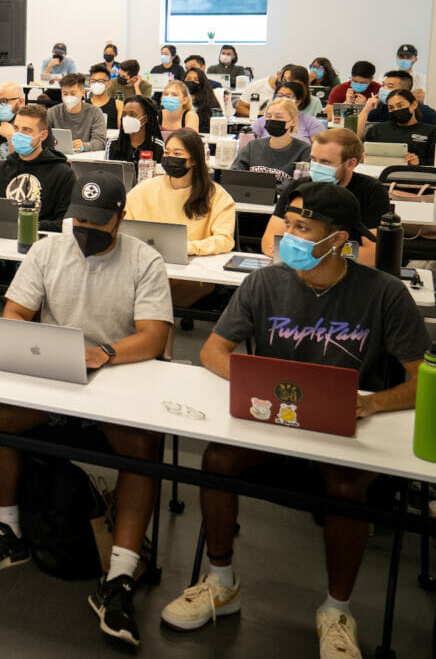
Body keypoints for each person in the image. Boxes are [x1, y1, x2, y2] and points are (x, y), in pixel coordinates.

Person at [161, 184, 427, 659]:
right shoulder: (264, 283)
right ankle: (221, 581)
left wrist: (371, 404)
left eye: (303, 229)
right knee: (217, 459)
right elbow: (211, 350)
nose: (290, 237)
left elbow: (423, 380)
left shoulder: (383, 294)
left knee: (347, 487)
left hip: (343, 427)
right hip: (269, 418)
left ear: (337, 239)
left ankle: (337, 610)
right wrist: (251, 380)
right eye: (290, 226)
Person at [0, 172, 171, 648]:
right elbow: (15, 313)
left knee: (142, 444)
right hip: (56, 376)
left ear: (121, 217)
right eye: (79, 218)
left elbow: (155, 336)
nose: (86, 228)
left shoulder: (145, 260)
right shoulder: (48, 250)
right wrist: (39, 345)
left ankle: (119, 574)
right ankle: (7, 531)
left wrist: (106, 354)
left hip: (115, 376)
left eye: (98, 221)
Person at [124, 127, 235, 308]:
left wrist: (189, 248)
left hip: (193, 272)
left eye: (177, 153)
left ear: (194, 160)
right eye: (167, 152)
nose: (169, 157)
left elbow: (224, 240)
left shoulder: (217, 195)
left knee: (155, 301)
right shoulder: (146, 188)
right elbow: (124, 225)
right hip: (148, 265)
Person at [0, 104, 76, 287]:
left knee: (28, 273)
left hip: (36, 249)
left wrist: (25, 226)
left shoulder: (63, 174)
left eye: (27, 130)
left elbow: (65, 223)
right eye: (16, 129)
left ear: (42, 136)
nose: (18, 135)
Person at [260, 130, 390, 268]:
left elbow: (373, 255)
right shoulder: (297, 188)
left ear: (351, 163)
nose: (316, 167)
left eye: (325, 162)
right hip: (299, 271)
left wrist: (307, 254)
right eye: (313, 159)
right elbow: (269, 244)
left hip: (348, 273)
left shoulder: (371, 191)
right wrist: (329, 253)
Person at [231, 98, 310, 187]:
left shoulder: (304, 150)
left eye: (278, 116)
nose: (272, 119)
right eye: (268, 116)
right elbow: (234, 175)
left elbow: (301, 185)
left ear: (293, 122)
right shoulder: (253, 146)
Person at [361, 88, 436, 165]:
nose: (396, 110)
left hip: (416, 174)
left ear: (414, 105)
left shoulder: (431, 131)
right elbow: (361, 154)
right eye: (391, 108)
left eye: (400, 105)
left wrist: (419, 161)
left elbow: (433, 162)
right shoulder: (376, 130)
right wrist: (361, 157)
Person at [356, 69, 436, 133]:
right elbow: (362, 129)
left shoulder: (423, 111)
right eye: (383, 85)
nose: (383, 89)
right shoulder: (380, 106)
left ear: (404, 91)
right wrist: (367, 108)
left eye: (390, 86)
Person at [47, 72, 108, 152]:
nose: (68, 97)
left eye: (73, 93)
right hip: (59, 157)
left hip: (85, 158)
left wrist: (83, 147)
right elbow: (43, 137)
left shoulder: (95, 112)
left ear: (82, 93)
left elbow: (101, 142)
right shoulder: (53, 112)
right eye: (65, 93)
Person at [251, 80, 324, 141]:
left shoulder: (310, 122)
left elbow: (320, 148)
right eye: (280, 96)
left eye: (288, 96)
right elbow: (248, 146)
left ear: (298, 101)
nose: (283, 99)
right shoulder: (262, 121)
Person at [107, 95, 166, 166]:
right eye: (124, 114)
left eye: (132, 115)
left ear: (145, 118)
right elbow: (107, 172)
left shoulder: (158, 146)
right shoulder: (113, 143)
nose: (127, 118)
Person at [237, 64, 308, 118]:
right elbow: (240, 107)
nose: (289, 85)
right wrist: (257, 115)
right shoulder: (257, 86)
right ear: (279, 74)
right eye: (285, 80)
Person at [86, 65, 120, 130]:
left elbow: (121, 132)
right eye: (93, 81)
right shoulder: (83, 104)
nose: (96, 84)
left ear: (109, 84)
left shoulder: (118, 105)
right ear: (89, 83)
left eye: (100, 81)